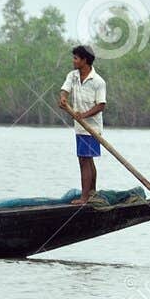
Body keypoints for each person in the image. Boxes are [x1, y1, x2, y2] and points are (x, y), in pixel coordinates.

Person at [58, 45, 107, 204]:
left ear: (84, 60)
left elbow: (101, 105)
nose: (73, 61)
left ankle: (85, 198)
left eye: (76, 58)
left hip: (91, 128)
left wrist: (83, 116)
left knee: (85, 160)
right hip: (80, 127)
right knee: (86, 160)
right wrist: (63, 98)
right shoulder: (72, 76)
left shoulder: (98, 81)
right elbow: (65, 90)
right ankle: (91, 193)